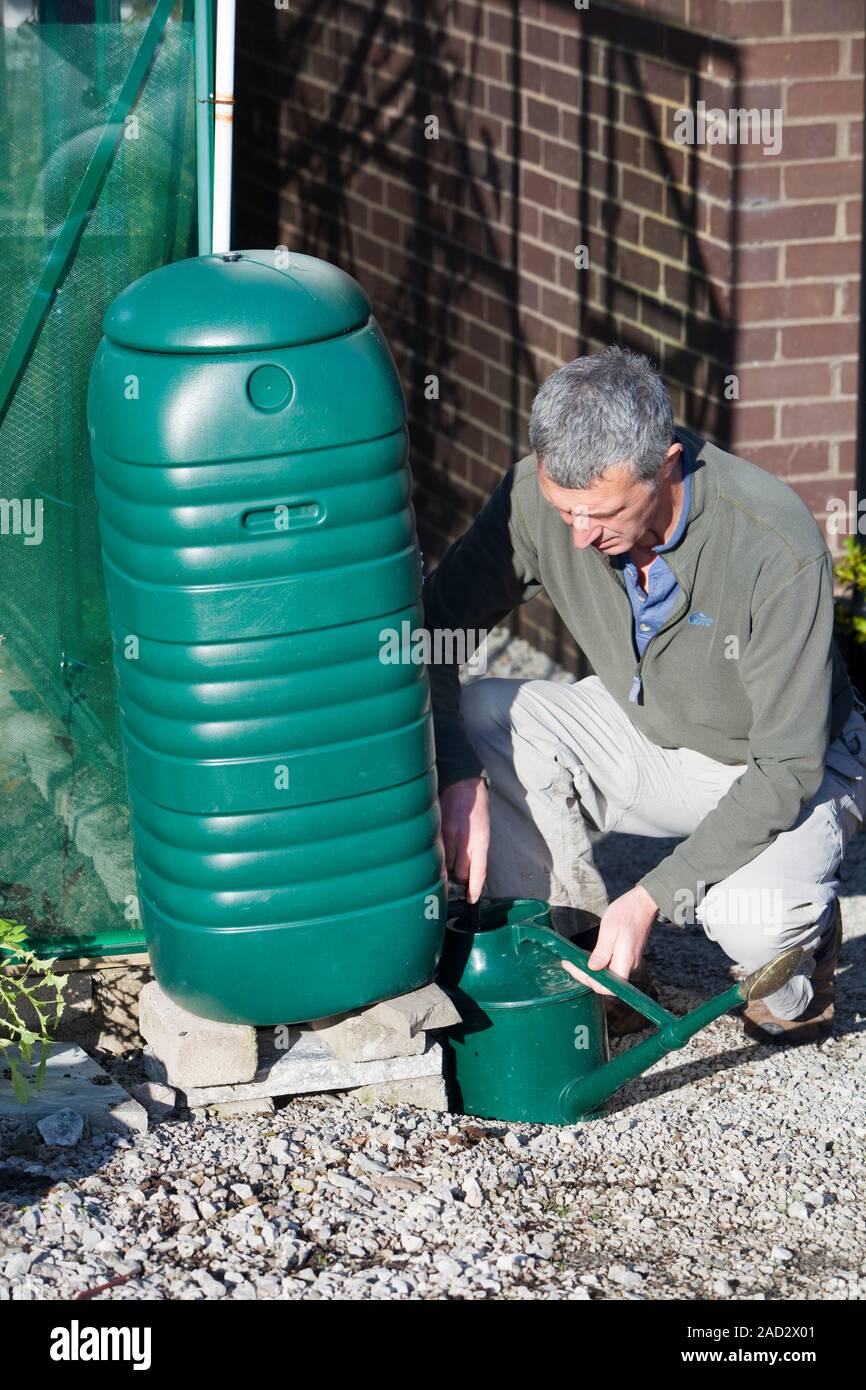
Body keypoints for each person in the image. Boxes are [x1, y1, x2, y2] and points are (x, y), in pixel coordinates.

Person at [422, 345, 866, 1042]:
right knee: (485, 717)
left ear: (664, 465)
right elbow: (435, 631)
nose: (575, 537)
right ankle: (579, 964)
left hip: (787, 766)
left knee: (750, 918)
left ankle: (801, 963)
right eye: (561, 509)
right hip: (658, 730)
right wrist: (456, 770)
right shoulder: (543, 505)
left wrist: (654, 895)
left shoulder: (772, 545)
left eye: (599, 514)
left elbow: (788, 767)